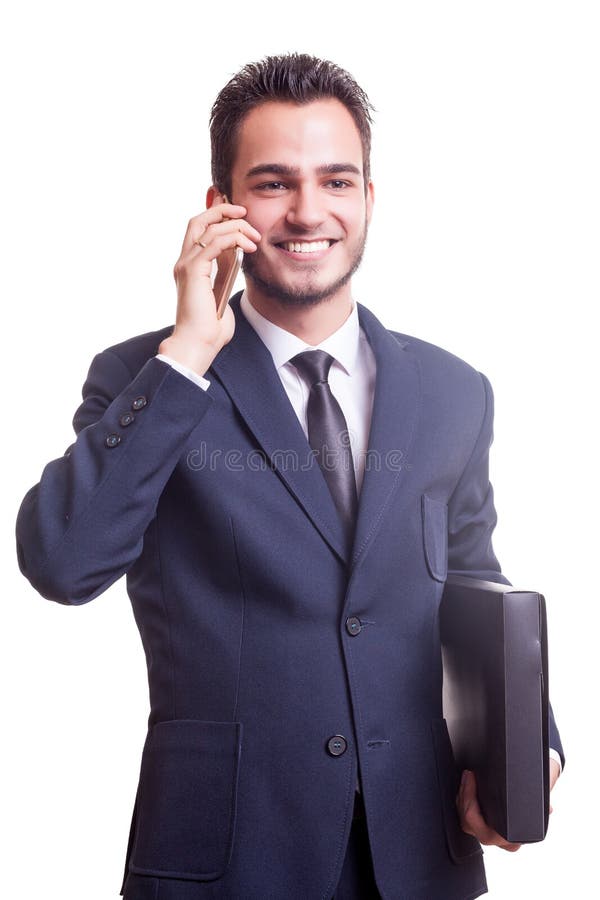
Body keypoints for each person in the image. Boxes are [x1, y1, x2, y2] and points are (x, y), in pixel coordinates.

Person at [15, 53, 563, 900]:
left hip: (420, 854)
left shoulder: (455, 391)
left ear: (370, 200)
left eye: (337, 181)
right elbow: (62, 562)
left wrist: (526, 740)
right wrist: (189, 351)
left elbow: (473, 584)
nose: (309, 212)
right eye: (273, 184)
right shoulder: (148, 378)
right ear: (221, 210)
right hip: (229, 861)